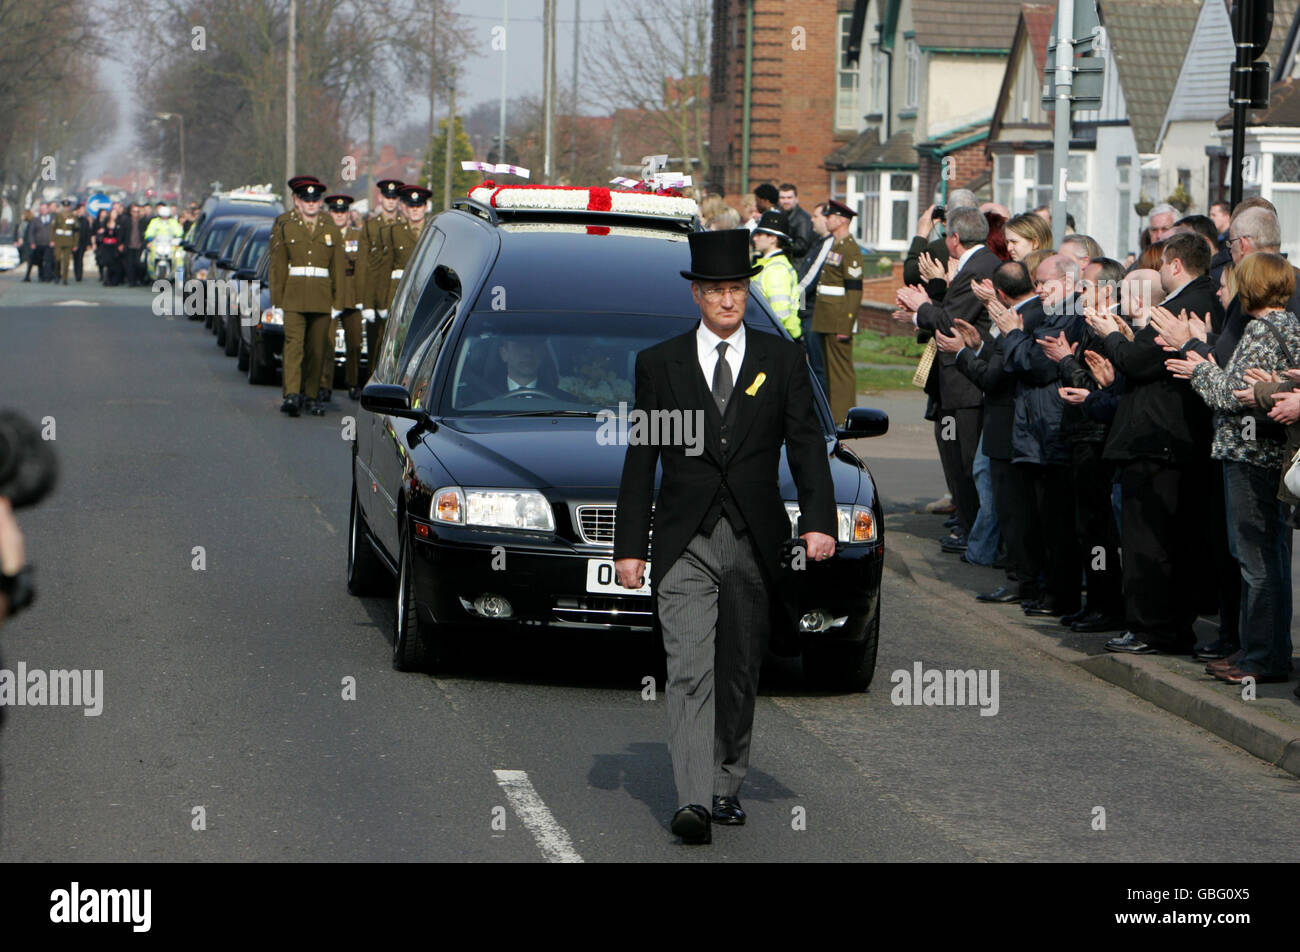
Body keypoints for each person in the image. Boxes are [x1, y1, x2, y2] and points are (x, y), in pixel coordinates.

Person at [612, 228, 837, 845]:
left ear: (747, 292)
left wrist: (818, 521)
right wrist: (630, 545)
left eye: (737, 289)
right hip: (685, 540)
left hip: (754, 539)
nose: (728, 301)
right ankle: (692, 801)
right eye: (716, 290)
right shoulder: (660, 364)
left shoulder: (782, 359)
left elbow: (805, 446)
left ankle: (725, 780)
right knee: (687, 669)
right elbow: (643, 458)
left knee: (738, 670)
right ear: (698, 297)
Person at [1168, 251, 1300, 685]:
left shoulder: (1263, 330)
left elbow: (1233, 394)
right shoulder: (1284, 325)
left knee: (1257, 560)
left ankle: (1262, 656)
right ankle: (1257, 649)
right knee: (1266, 558)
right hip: (1264, 454)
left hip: (1251, 456)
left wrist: (1199, 368)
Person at [894, 206, 1001, 550]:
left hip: (966, 384)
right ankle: (969, 530)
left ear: (954, 238)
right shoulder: (979, 263)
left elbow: (949, 320)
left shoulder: (978, 268)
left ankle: (974, 535)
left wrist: (920, 306)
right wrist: (919, 312)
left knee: (965, 464)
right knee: (958, 460)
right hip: (957, 382)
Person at [268, 178, 347, 417]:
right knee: (294, 346)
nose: (311, 204)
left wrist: (338, 302)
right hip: (293, 296)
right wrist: (277, 301)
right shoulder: (284, 224)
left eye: (315, 200)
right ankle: (292, 394)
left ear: (320, 202)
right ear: (296, 200)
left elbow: (338, 268)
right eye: (305, 199)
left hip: (322, 298)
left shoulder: (330, 226)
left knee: (317, 349)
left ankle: (311, 396)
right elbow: (278, 265)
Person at [811, 200, 864, 424]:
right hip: (826, 318)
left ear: (842, 220)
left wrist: (846, 324)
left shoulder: (850, 249)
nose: (828, 219)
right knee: (830, 372)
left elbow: (854, 290)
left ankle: (843, 415)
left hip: (838, 319)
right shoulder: (836, 245)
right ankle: (833, 415)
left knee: (840, 371)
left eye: (831, 215)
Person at [374, 184, 433, 368]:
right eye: (411, 206)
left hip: (426, 292)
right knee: (394, 346)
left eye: (419, 206)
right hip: (398, 292)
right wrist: (381, 302)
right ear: (405, 208)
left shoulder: (434, 231)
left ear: (425, 207)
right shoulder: (394, 232)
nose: (415, 210)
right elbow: (385, 269)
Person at [322, 193, 366, 401]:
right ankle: (324, 384)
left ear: (348, 214)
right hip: (329, 295)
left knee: (355, 342)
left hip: (351, 295)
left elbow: (363, 267)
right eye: (335, 211)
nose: (339, 215)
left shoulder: (357, 237)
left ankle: (353, 382)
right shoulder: (323, 236)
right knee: (327, 343)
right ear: (329, 213)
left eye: (342, 211)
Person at [359, 179, 405, 375]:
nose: (391, 201)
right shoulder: (371, 227)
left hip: (397, 291)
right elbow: (363, 265)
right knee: (375, 342)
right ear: (380, 198)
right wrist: (364, 300)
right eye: (387, 197)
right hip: (375, 291)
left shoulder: (404, 226)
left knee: (396, 343)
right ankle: (371, 381)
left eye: (394, 198)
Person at [796, 203, 832, 393]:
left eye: (816, 216)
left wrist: (797, 304)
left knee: (819, 368)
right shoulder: (817, 243)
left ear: (827, 219)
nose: (812, 219)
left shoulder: (828, 244)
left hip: (814, 314)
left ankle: (822, 415)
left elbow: (808, 281)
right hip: (807, 312)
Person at [751, 210, 801, 340]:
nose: (754, 238)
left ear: (773, 238)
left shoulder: (776, 269)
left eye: (759, 234)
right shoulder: (770, 264)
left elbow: (781, 313)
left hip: (776, 336)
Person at [777, 183, 814, 261]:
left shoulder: (803, 219)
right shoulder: (780, 215)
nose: (786, 201)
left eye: (789, 198)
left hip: (797, 264)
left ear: (796, 199)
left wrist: (779, 248)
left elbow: (801, 247)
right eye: (782, 198)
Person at [50, 199, 78, 285]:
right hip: (58, 239)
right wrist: (52, 240)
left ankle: (65, 278)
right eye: (64, 206)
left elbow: (76, 231)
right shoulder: (58, 216)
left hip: (68, 240)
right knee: (57, 258)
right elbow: (52, 228)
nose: (66, 208)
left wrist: (75, 243)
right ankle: (57, 275)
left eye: (67, 207)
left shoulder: (73, 216)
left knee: (66, 261)